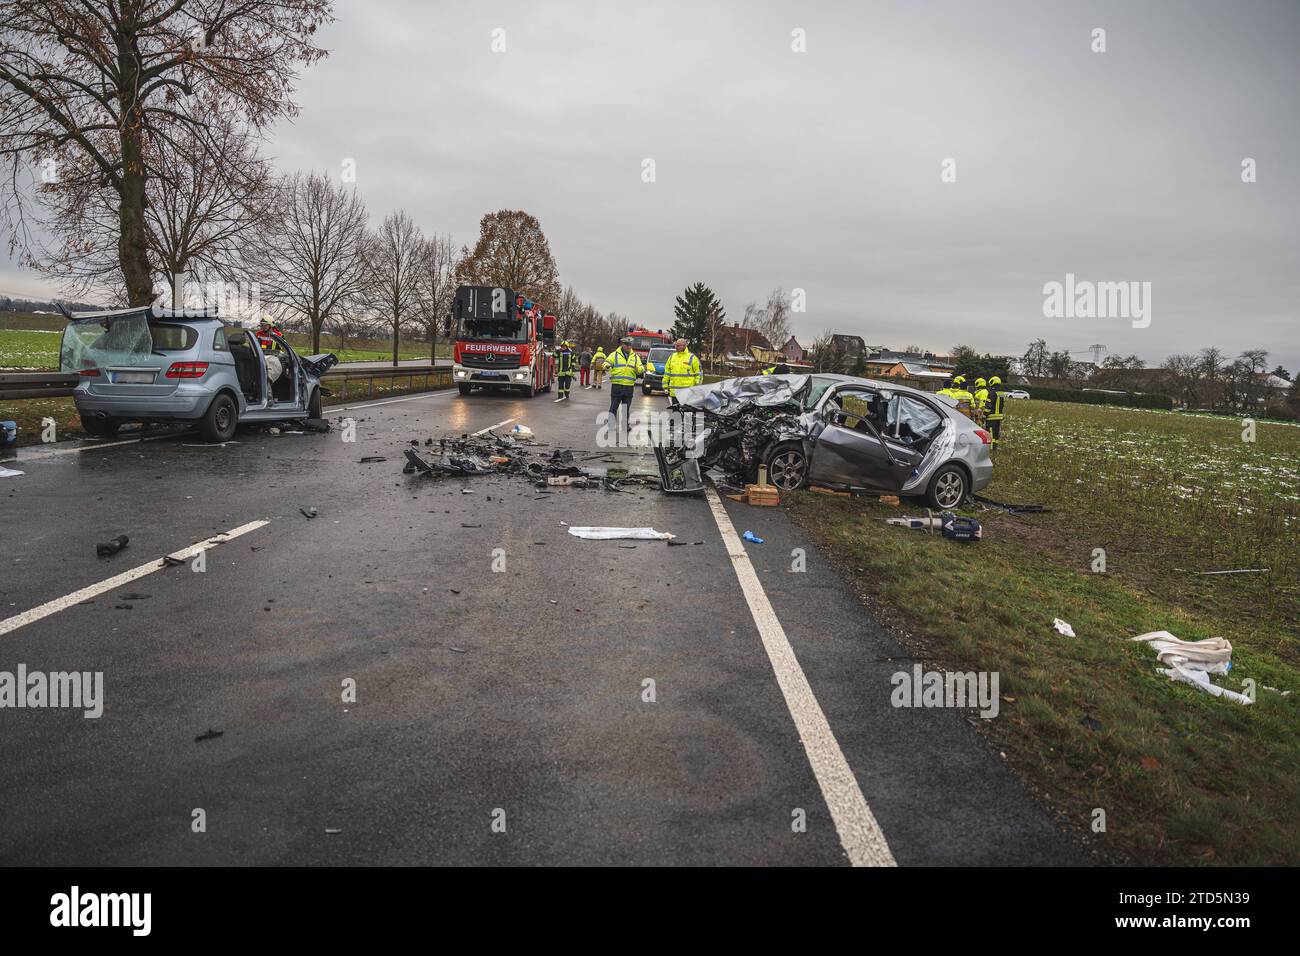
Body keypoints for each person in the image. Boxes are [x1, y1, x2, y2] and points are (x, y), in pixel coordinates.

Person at [605, 337, 644, 439]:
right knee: (613, 407)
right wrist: (606, 365)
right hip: (617, 385)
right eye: (626, 344)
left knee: (626, 408)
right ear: (622, 345)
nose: (628, 346)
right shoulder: (615, 354)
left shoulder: (635, 357)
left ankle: (625, 426)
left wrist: (638, 369)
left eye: (630, 345)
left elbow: (641, 369)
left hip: (629, 386)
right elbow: (608, 361)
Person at [985, 375, 1006, 446]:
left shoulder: (991, 393)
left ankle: (990, 446)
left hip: (991, 416)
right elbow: (1002, 405)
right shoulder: (1001, 393)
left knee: (990, 431)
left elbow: (988, 405)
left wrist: (985, 414)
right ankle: (995, 445)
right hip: (999, 416)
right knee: (996, 431)